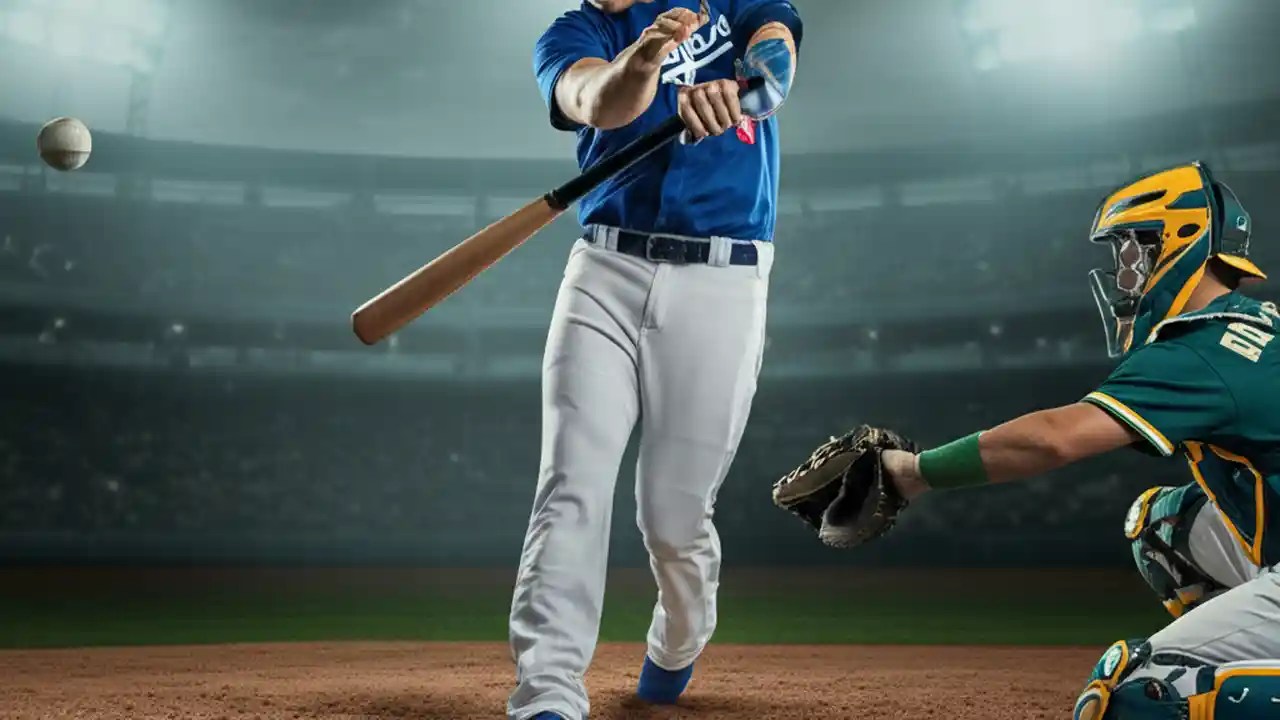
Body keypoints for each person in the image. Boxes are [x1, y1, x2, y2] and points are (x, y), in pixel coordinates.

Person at [834, 162, 1280, 720]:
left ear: (1178, 240)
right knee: (1164, 527)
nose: (1125, 277)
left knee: (1136, 696)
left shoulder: (1201, 349)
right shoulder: (1258, 326)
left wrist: (911, 471)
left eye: (1130, 255)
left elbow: (1052, 439)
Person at [508, 2, 801, 719]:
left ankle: (676, 643)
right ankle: (546, 692)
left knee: (672, 515)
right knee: (571, 482)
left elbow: (778, 57)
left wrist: (750, 86)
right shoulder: (573, 34)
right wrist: (642, 62)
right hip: (604, 272)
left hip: (723, 279)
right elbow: (594, 100)